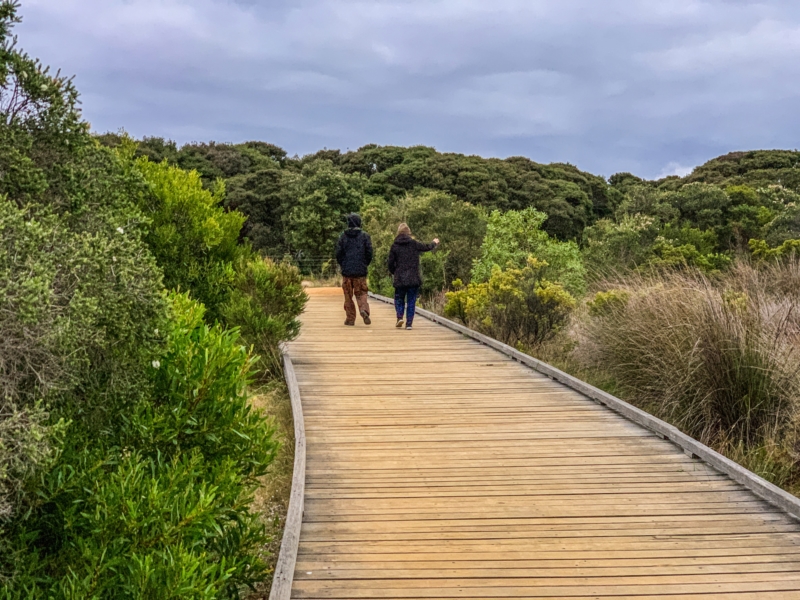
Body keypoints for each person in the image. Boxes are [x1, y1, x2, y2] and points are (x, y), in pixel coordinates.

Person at [387, 223, 439, 330]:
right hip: (413, 278)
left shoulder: (394, 246)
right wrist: (434, 243)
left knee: (399, 299)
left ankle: (400, 317)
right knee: (411, 301)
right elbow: (426, 247)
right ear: (409, 233)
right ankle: (409, 323)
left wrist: (394, 272)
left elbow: (390, 263)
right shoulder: (414, 244)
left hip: (400, 278)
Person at [335, 213, 374, 326]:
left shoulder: (343, 236)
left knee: (348, 296)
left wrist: (343, 264)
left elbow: (338, 253)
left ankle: (350, 319)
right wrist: (365, 264)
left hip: (347, 271)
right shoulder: (365, 236)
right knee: (361, 293)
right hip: (360, 271)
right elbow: (369, 253)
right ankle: (363, 309)